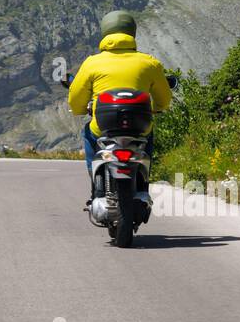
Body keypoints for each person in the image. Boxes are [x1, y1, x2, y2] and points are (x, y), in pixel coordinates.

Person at [66, 11, 171, 205]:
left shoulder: (92, 63)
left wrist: (81, 109)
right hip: (140, 127)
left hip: (102, 127)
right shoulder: (150, 63)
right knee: (148, 137)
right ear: (132, 32)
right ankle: (143, 183)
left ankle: (96, 181)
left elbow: (76, 98)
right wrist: (157, 108)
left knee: (88, 133)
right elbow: (164, 100)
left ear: (105, 31)